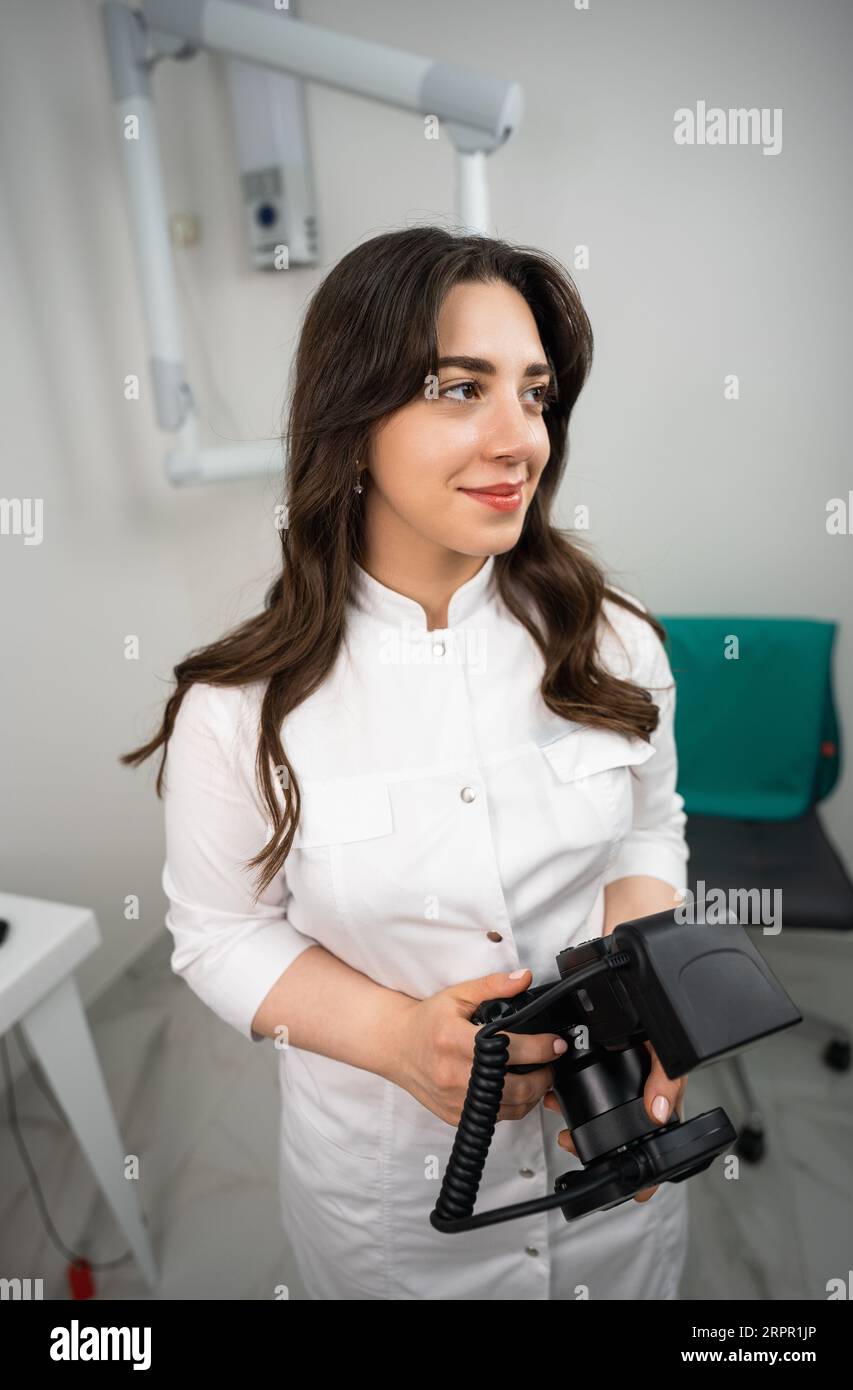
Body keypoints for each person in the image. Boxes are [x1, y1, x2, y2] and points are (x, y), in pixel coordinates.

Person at [121, 225, 691, 1300]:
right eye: (458, 388)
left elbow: (649, 826)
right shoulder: (238, 709)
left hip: (616, 1202)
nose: (516, 435)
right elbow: (219, 933)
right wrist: (394, 1038)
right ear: (353, 420)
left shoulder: (615, 642)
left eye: (532, 393)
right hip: (394, 1223)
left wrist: (636, 996)